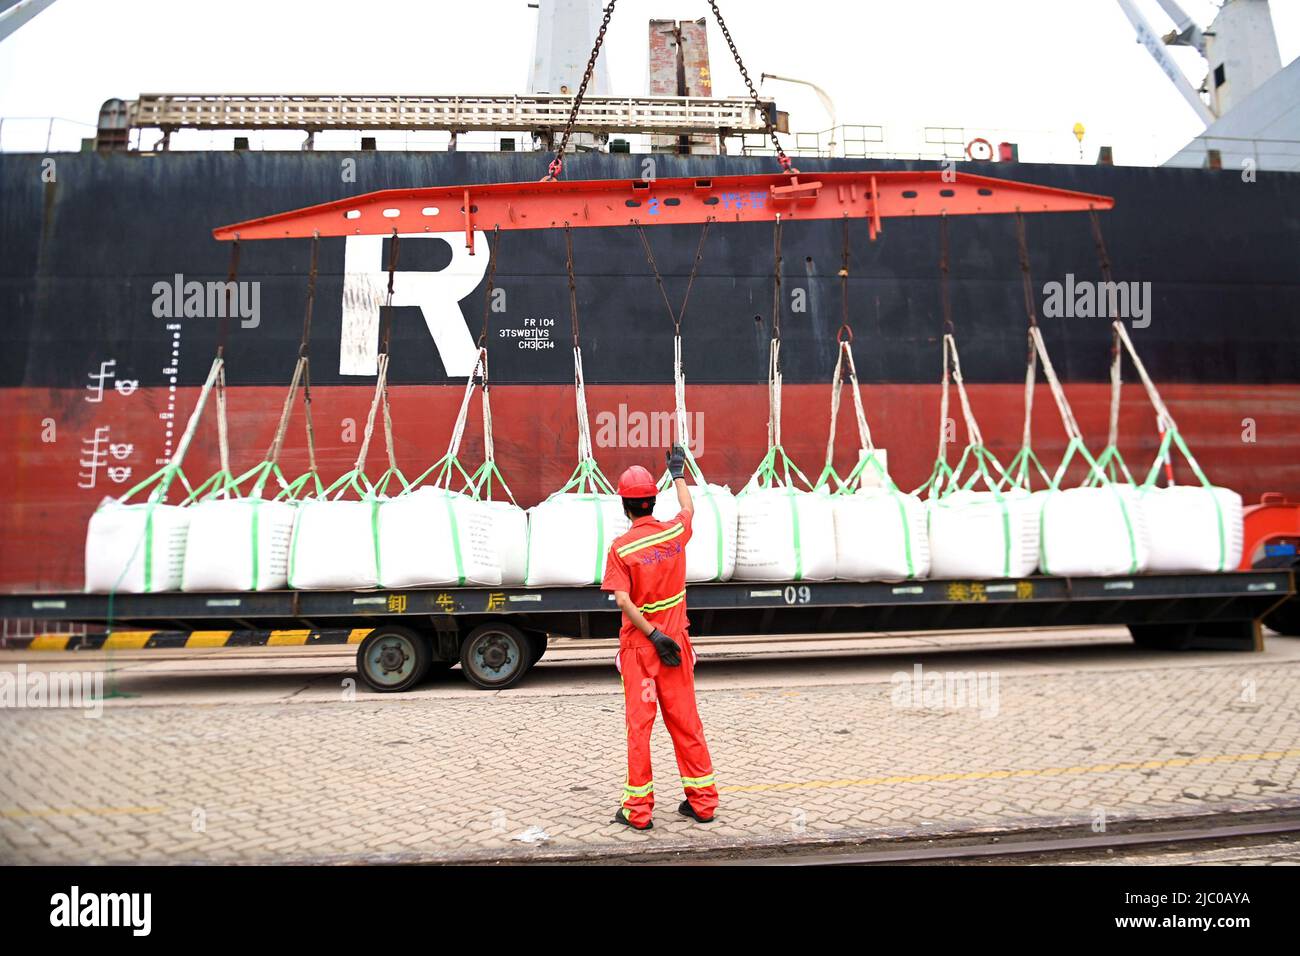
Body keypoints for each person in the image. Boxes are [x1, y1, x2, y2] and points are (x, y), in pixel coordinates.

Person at [600, 444, 719, 830]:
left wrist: (651, 634)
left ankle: (639, 812)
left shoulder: (621, 548)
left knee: (640, 728)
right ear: (653, 499)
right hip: (677, 647)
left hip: (642, 650)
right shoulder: (674, 533)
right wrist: (679, 473)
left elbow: (622, 599)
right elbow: (689, 509)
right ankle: (702, 803)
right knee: (686, 722)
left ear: (625, 506)